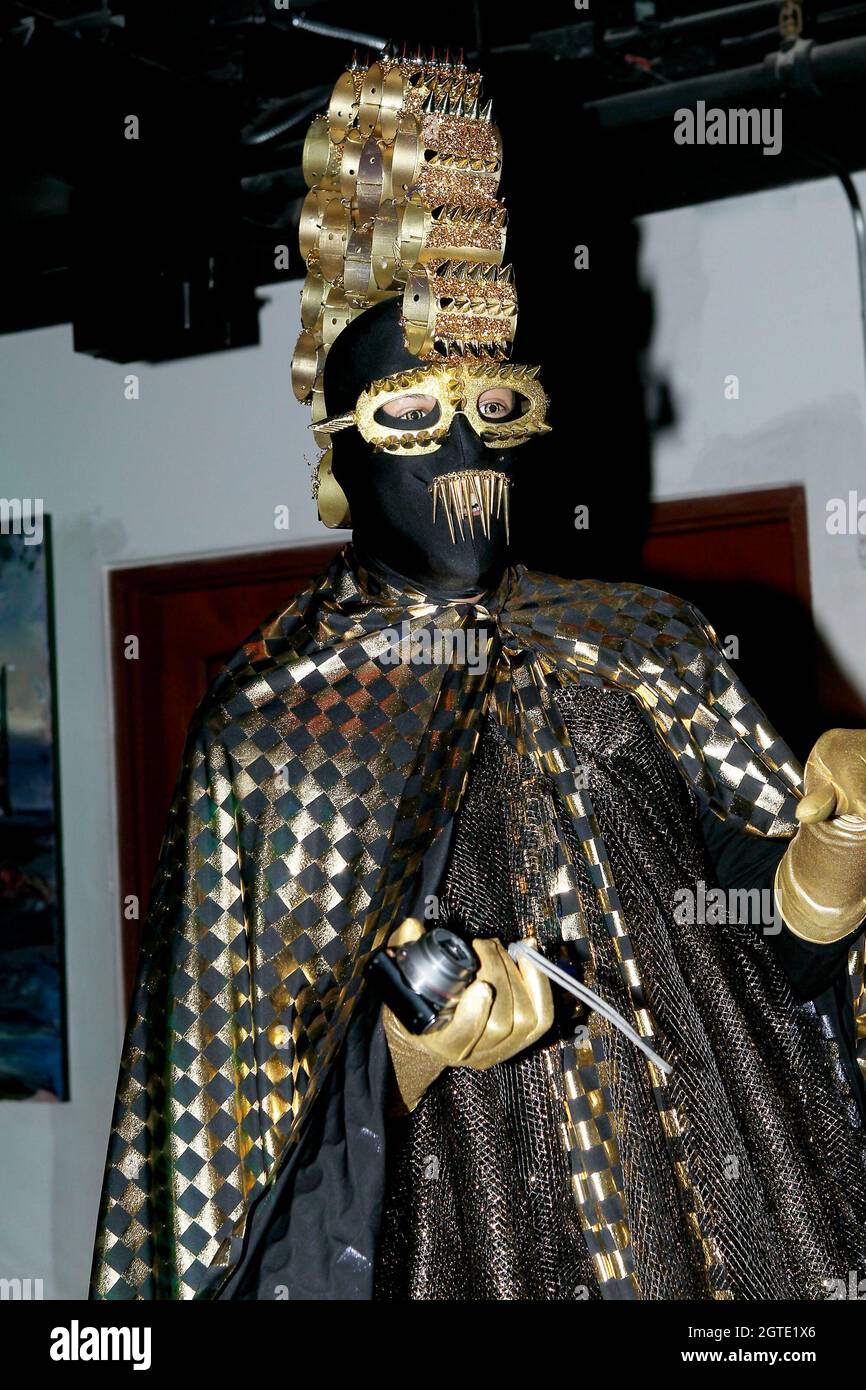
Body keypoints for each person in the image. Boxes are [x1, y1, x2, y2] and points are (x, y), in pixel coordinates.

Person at [91, 47, 866, 1302]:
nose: (462, 448)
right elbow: (225, 1148)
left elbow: (760, 947)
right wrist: (403, 1052)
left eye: (494, 405)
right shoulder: (276, 721)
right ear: (339, 447)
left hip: (746, 1227)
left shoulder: (644, 639)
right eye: (411, 413)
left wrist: (830, 859)